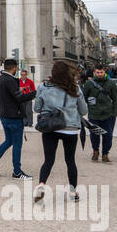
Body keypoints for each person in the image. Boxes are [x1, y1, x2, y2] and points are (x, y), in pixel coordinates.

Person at [33, 60, 90, 202]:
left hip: (50, 127)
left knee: (48, 160)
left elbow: (37, 109)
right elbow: (83, 110)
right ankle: (72, 192)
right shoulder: (75, 88)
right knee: (70, 161)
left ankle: (41, 185)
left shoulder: (43, 87)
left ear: (53, 73)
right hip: (70, 128)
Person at [0, 57, 36, 178]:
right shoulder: (11, 80)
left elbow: (8, 94)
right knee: (17, 144)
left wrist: (19, 90)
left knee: (8, 141)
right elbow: (20, 98)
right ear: (14, 68)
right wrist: (35, 93)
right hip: (14, 116)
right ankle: (17, 171)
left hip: (3, 114)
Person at [81, 64, 117, 163]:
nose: (99, 74)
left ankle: (105, 153)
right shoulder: (89, 84)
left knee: (108, 135)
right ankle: (95, 151)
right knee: (94, 135)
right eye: (97, 72)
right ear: (94, 72)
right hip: (94, 114)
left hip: (109, 114)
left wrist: (115, 112)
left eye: (101, 72)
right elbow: (83, 98)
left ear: (104, 72)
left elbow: (115, 98)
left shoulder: (111, 83)